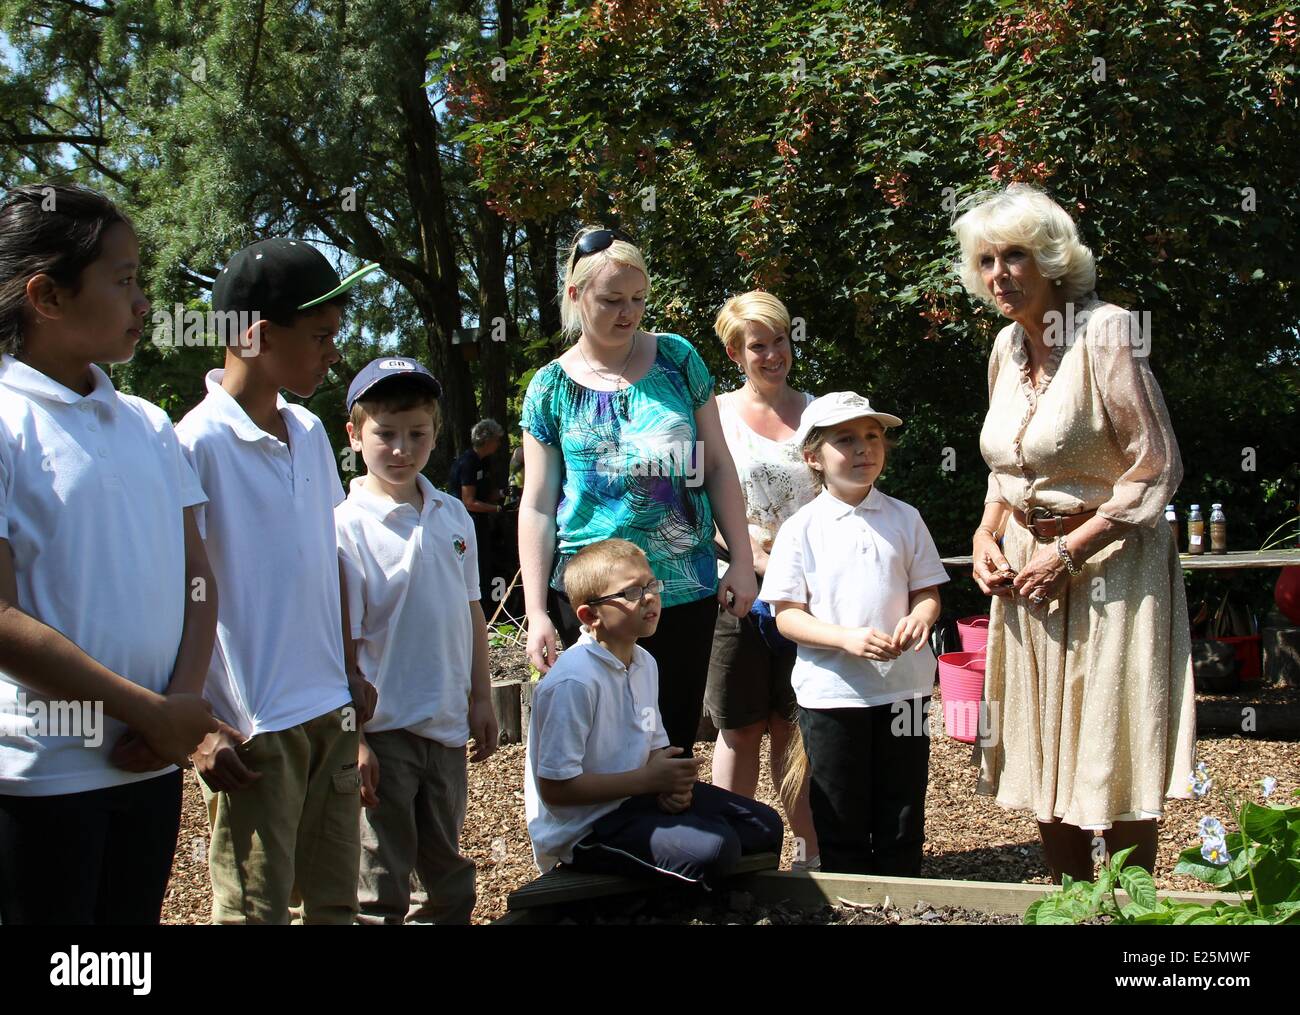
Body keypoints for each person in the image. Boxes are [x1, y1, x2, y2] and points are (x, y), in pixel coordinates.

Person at [953, 184, 1196, 882]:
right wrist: (985, 534)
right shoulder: (1005, 348)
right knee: (1037, 736)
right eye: (987, 259)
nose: (1000, 273)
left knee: (1113, 734)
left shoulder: (1107, 332)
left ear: (1054, 260)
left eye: (1016, 256)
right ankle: (1068, 898)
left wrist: (1071, 549)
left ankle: (1129, 910)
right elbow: (1008, 466)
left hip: (1113, 565)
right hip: (1029, 569)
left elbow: (1157, 465)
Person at [0, 183, 217, 924]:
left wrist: (179, 707)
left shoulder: (149, 424)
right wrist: (148, 711)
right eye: (123, 281)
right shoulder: (6, 422)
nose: (143, 301)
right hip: (45, 773)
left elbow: (197, 577)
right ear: (46, 296)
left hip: (146, 764)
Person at [176, 238, 378, 924]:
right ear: (257, 336)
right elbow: (178, 591)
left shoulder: (313, 429)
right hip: (253, 728)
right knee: (252, 910)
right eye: (321, 335)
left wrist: (349, 667)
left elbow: (327, 559)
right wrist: (202, 725)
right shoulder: (191, 444)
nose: (334, 352)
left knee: (335, 904)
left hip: (330, 709)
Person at [519, 226, 756, 754]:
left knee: (670, 744)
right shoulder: (548, 388)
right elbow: (536, 504)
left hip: (680, 590)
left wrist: (740, 558)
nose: (628, 313)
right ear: (576, 296)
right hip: (590, 595)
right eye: (611, 300)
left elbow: (715, 464)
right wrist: (535, 611)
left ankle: (671, 837)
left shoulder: (677, 359)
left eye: (638, 299)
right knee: (600, 746)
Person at [336, 358, 498, 924]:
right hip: (384, 734)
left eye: (417, 434)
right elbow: (342, 645)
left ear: (435, 432)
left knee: (447, 871)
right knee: (381, 879)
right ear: (355, 436)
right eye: (385, 434)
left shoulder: (454, 514)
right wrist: (352, 739)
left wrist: (482, 697)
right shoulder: (344, 526)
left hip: (448, 726)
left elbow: (472, 609)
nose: (401, 448)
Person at [524, 538, 784, 883]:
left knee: (764, 826)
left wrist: (672, 786)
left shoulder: (645, 662)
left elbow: (655, 749)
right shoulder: (574, 682)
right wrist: (648, 781)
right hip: (586, 828)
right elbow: (556, 790)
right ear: (590, 615)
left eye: (652, 585)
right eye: (632, 593)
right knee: (716, 851)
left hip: (638, 798)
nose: (649, 598)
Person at [763, 393, 948, 876]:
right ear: (813, 457)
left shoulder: (905, 517)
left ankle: (902, 891)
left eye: (873, 436)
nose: (864, 449)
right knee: (840, 806)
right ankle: (849, 899)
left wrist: (920, 618)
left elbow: (927, 592)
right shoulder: (801, 529)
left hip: (903, 687)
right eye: (846, 440)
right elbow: (786, 615)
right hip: (832, 693)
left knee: (903, 804)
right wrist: (846, 638)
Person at [704, 290, 819, 868]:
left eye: (779, 340)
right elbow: (697, 506)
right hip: (741, 593)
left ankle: (807, 857)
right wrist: (751, 558)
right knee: (740, 726)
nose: (772, 354)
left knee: (793, 727)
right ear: (734, 352)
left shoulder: (821, 412)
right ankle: (734, 855)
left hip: (810, 597)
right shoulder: (715, 415)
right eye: (757, 345)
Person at [452, 417, 506, 605]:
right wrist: (497, 509)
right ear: (487, 440)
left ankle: (489, 606)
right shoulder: (469, 462)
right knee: (475, 564)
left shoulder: (485, 462)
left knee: (486, 562)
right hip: (467, 523)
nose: (499, 444)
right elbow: (469, 501)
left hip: (482, 523)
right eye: (496, 439)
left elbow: (484, 494)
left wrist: (502, 494)